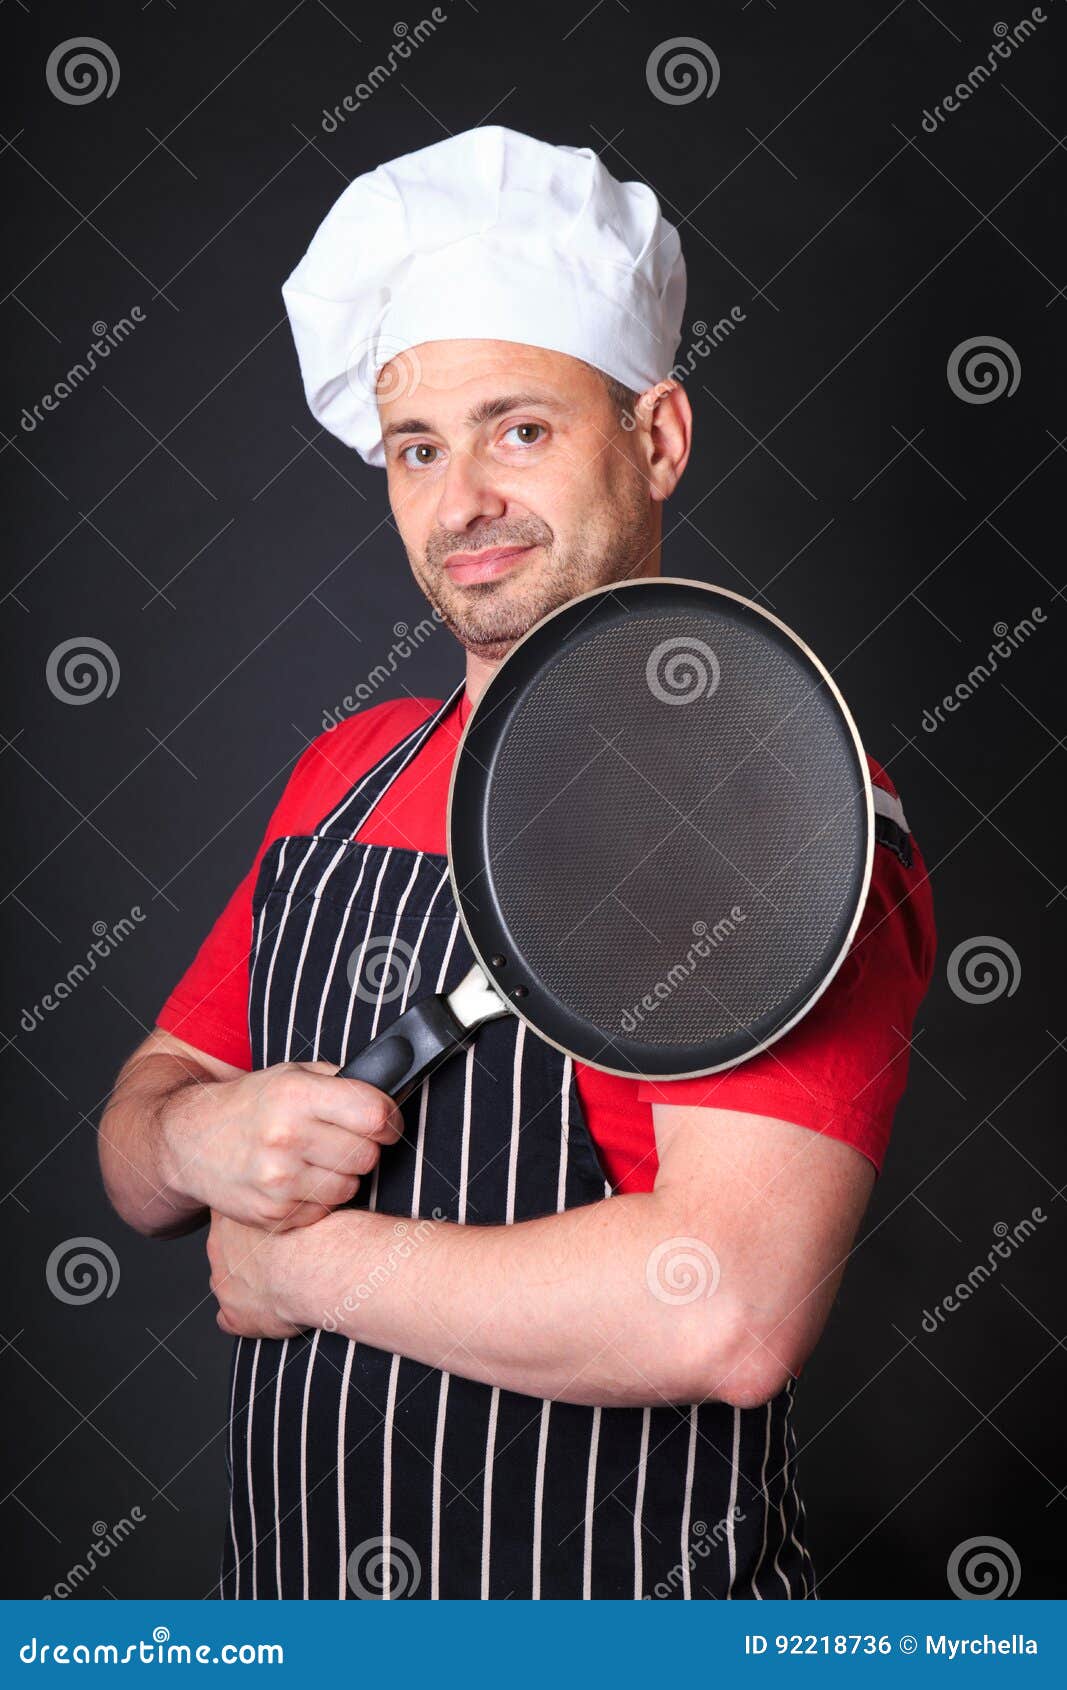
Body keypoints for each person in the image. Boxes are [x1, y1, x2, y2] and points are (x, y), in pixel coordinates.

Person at [98, 126, 937, 1601]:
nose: (463, 496)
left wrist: (299, 1264)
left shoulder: (779, 802)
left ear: (657, 436)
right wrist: (195, 1140)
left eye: (521, 428)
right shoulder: (343, 779)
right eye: (419, 448)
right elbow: (140, 1123)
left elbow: (728, 1310)